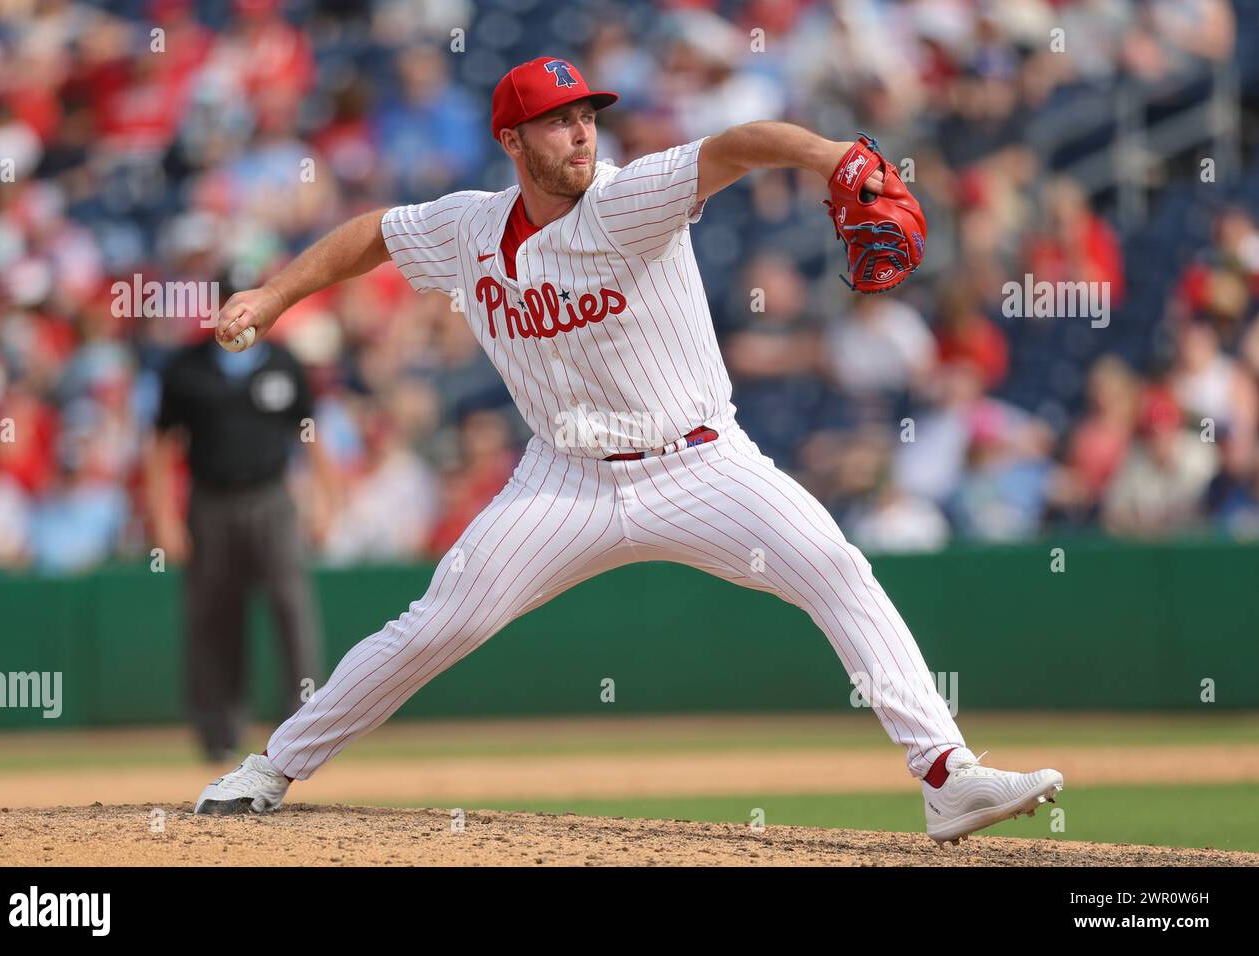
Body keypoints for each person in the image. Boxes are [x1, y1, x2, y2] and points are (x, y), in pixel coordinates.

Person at [194, 56, 1062, 846]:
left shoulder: (626, 196)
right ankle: (268, 770)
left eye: (588, 116)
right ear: (512, 139)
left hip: (700, 464)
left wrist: (832, 156)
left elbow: (737, 146)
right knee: (434, 627)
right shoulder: (467, 228)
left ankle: (947, 776)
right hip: (561, 481)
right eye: (557, 121)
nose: (580, 134)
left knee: (836, 566)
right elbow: (375, 235)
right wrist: (273, 296)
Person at [146, 328, 333, 762]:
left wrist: (326, 500)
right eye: (228, 299)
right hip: (210, 500)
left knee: (292, 608)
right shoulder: (187, 366)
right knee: (214, 617)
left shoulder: (283, 361)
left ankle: (305, 730)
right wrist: (163, 517)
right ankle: (218, 734)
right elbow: (160, 444)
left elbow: (309, 432)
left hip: (272, 497)